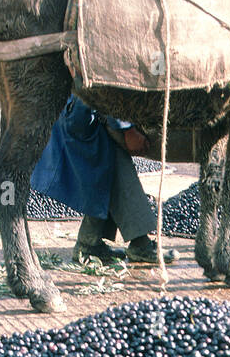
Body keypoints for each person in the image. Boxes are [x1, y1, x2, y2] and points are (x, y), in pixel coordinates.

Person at [31, 96, 159, 265]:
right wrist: (127, 129)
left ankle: (89, 243)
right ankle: (138, 244)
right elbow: (106, 86)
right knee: (112, 161)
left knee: (104, 172)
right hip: (82, 115)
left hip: (79, 110)